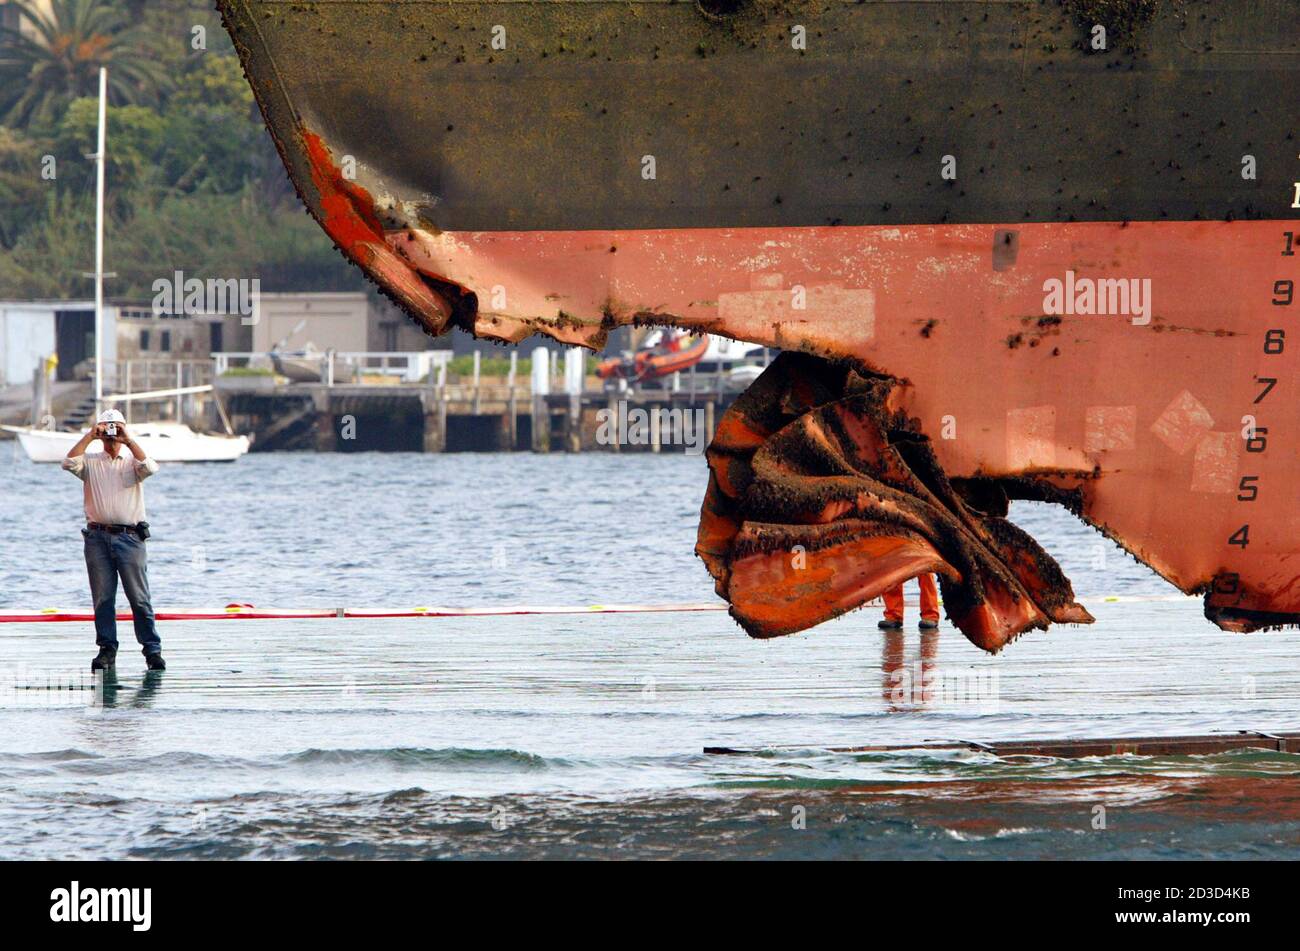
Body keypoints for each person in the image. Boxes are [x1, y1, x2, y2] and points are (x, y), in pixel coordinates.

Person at [62, 409, 165, 672]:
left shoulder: (132, 461)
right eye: (107, 428)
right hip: (97, 537)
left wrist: (128, 439)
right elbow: (68, 462)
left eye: (115, 428)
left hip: (130, 537)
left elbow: (151, 467)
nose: (111, 434)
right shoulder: (91, 460)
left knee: (139, 598)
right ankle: (107, 648)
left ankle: (152, 650)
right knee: (103, 598)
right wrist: (89, 436)